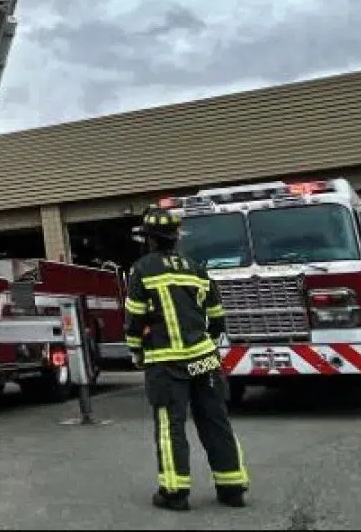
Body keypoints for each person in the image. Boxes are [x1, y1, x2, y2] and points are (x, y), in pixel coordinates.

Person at [124, 208, 250, 511]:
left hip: (167, 363)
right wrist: (204, 341)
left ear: (149, 240)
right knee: (216, 420)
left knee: (171, 426)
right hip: (204, 360)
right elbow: (218, 318)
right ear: (177, 237)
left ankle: (174, 492)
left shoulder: (142, 269)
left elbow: (134, 319)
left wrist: (137, 353)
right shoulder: (196, 268)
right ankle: (232, 487)